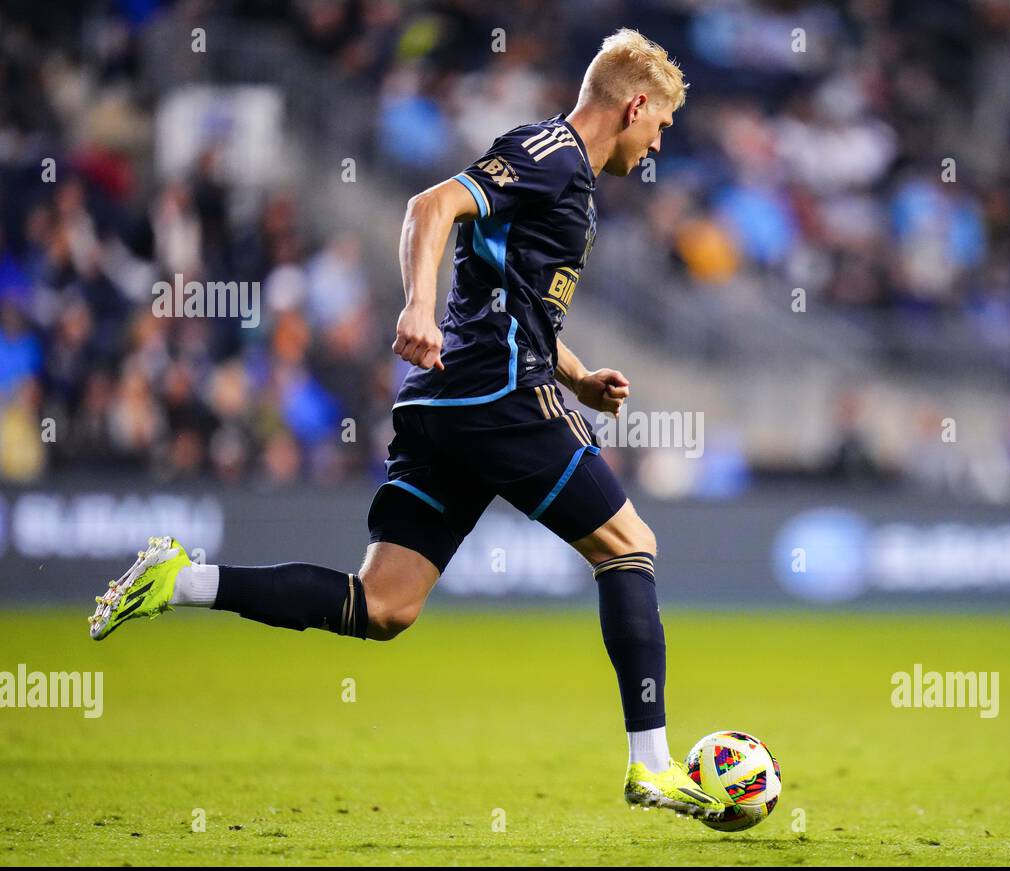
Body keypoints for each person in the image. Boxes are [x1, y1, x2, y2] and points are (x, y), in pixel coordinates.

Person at [88, 28, 724, 821]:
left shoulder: (565, 175)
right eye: (660, 124)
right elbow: (433, 205)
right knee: (630, 546)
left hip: (445, 403)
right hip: (494, 397)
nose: (660, 140)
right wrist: (416, 305)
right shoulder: (554, 152)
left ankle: (178, 580)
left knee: (382, 606)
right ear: (634, 105)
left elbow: (511, 301)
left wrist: (579, 377)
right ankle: (653, 766)